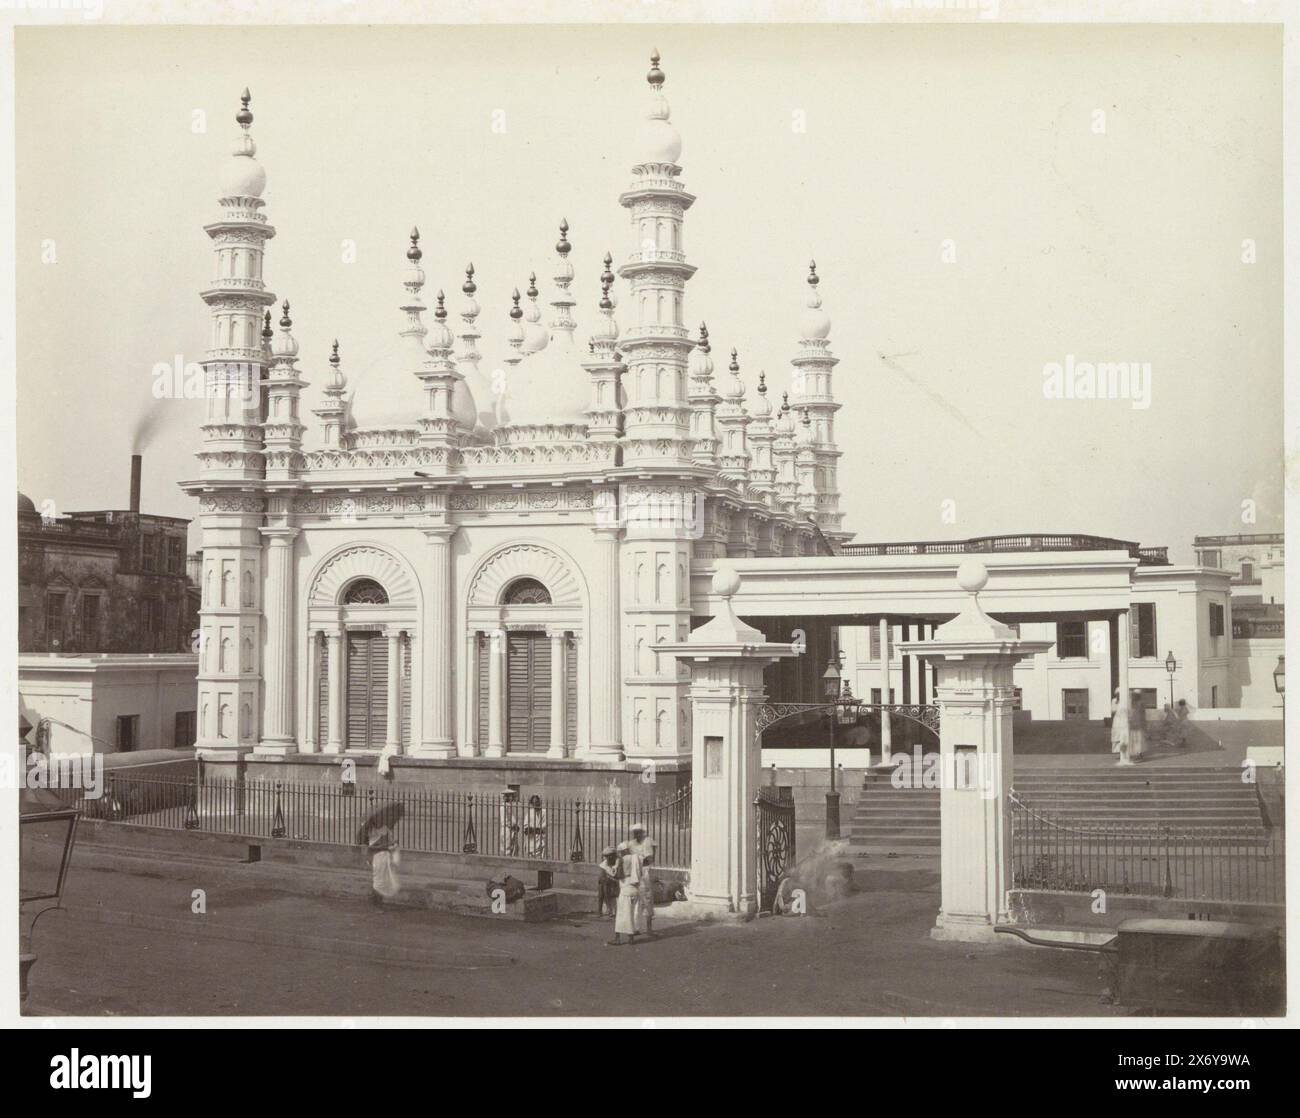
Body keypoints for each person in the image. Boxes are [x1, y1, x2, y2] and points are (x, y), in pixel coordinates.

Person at [608, 841, 641, 947]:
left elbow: (620, 875)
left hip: (626, 888)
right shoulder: (637, 858)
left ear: (622, 851)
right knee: (631, 913)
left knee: (622, 914)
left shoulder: (622, 860)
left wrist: (612, 875)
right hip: (635, 889)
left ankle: (617, 938)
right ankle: (631, 938)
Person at [628, 822, 657, 937]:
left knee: (647, 899)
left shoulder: (648, 841)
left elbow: (649, 859)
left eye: (639, 832)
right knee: (634, 900)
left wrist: (636, 859)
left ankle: (649, 928)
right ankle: (635, 927)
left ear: (643, 832)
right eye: (635, 833)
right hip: (634, 873)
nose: (637, 834)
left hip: (645, 873)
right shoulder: (631, 844)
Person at [366, 821, 401, 905]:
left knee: (384, 880)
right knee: (379, 881)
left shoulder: (386, 829)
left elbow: (387, 845)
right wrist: (389, 844)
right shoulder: (372, 831)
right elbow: (372, 847)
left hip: (385, 857)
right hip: (377, 858)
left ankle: (377, 900)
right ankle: (375, 901)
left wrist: (393, 845)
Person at [595, 846, 620, 917]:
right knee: (602, 885)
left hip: (617, 883)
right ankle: (600, 910)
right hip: (608, 884)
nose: (606, 858)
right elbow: (601, 877)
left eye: (608, 856)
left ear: (613, 856)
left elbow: (618, 876)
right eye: (606, 856)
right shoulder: (604, 864)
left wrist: (610, 878)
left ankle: (609, 909)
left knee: (605, 884)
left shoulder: (618, 862)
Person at [523, 794, 548, 859]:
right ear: (532, 804)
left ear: (539, 802)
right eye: (533, 803)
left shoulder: (544, 812)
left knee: (541, 854)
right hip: (531, 837)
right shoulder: (530, 812)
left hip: (540, 836)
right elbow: (525, 823)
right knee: (531, 854)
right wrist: (528, 828)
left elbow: (546, 823)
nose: (535, 804)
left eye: (536, 802)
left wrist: (539, 828)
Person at [499, 788, 520, 856]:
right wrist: (512, 826)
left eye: (512, 796)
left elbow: (512, 817)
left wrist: (516, 825)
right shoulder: (503, 806)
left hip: (512, 829)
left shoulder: (509, 805)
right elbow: (504, 820)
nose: (512, 797)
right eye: (510, 796)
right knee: (507, 846)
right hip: (507, 829)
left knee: (513, 846)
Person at [1109, 690, 1130, 756]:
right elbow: (1113, 710)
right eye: (1117, 694)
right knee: (1117, 735)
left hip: (1124, 719)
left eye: (1120, 694)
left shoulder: (1125, 701)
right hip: (1117, 719)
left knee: (1123, 735)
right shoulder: (1114, 700)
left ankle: (1124, 752)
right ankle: (1118, 751)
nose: (1118, 695)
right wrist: (1116, 704)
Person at [1128, 693, 1146, 759]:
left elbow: (1142, 715)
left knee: (1138, 740)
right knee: (1135, 739)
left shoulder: (1140, 704)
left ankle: (1139, 754)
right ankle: (1137, 754)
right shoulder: (1133, 704)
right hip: (1134, 724)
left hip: (1138, 724)